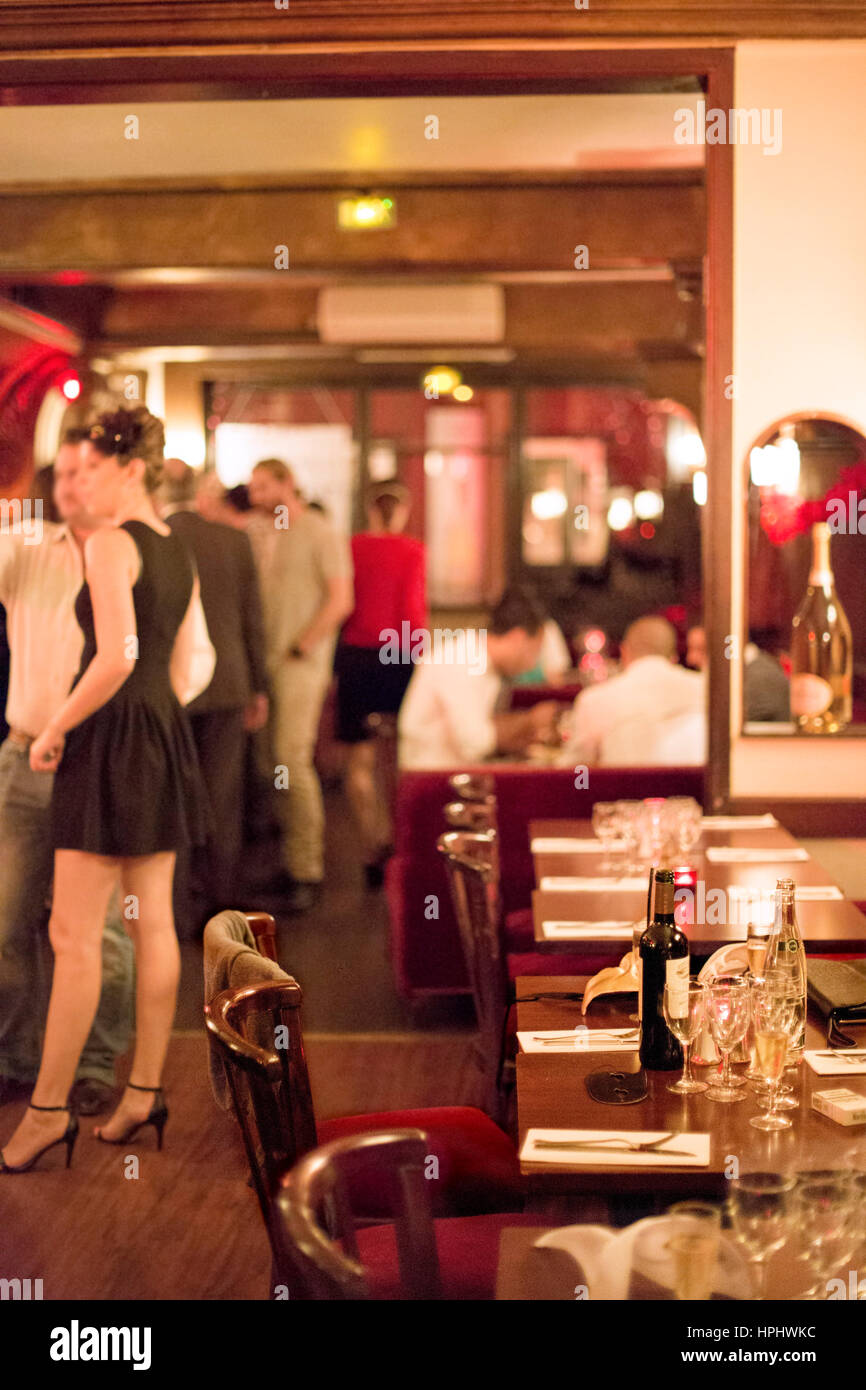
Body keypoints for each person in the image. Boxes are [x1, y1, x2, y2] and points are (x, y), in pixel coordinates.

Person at [0, 406, 210, 1173]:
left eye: (91, 464)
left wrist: (56, 724)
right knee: (152, 923)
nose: (76, 479)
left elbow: (116, 655)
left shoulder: (114, 542)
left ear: (128, 469)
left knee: (74, 937)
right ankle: (142, 1092)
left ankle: (48, 1111)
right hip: (158, 736)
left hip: (111, 737)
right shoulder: (174, 546)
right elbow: (169, 660)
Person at [0, 432, 136, 1116]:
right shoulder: (24, 550)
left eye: (90, 472)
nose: (76, 485)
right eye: (66, 474)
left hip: (97, 760)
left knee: (102, 929)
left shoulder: (134, 552)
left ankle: (95, 1059)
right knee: (7, 916)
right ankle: (18, 1056)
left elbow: (175, 661)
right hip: (24, 756)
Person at [160, 463, 269, 924]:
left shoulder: (151, 538)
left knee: (175, 794)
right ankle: (223, 901)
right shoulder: (233, 540)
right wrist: (259, 687)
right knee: (223, 793)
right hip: (228, 682)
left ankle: (178, 905)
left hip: (171, 685)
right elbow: (252, 620)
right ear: (203, 495)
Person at [247, 457, 353, 913]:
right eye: (252, 487)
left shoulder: (320, 532)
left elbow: (341, 599)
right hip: (266, 665)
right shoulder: (261, 533)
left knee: (292, 757)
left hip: (299, 665)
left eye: (265, 486)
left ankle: (308, 869)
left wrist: (302, 646)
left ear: (289, 484)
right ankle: (291, 860)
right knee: (272, 762)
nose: (256, 495)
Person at [336, 479, 426, 886]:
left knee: (360, 759)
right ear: (402, 511)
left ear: (371, 511)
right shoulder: (412, 551)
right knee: (395, 755)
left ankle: (375, 843)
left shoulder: (351, 546)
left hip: (355, 655)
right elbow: (412, 610)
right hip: (397, 655)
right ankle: (401, 842)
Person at [398, 589, 559, 770]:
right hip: (433, 778)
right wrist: (529, 722)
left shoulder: (482, 662)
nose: (532, 664)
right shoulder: (460, 661)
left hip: (458, 771)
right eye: (535, 652)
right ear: (518, 638)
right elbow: (475, 743)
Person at [563, 614, 705, 767]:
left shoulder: (594, 700)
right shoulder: (705, 689)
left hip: (619, 790)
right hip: (692, 790)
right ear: (674, 657)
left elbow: (574, 770)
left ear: (624, 652)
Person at [686, 623, 790, 723]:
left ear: (726, 648)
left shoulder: (759, 680)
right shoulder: (746, 673)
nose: (691, 659)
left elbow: (721, 727)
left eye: (701, 649)